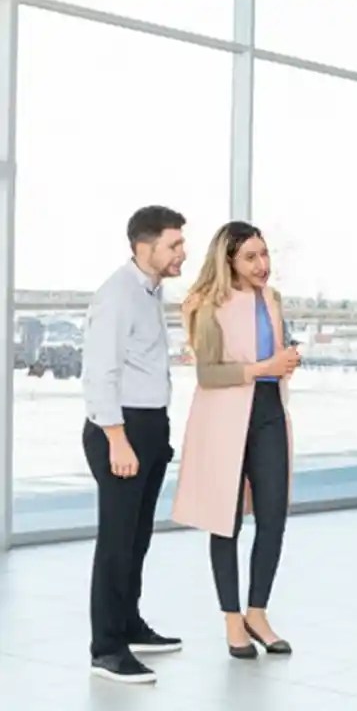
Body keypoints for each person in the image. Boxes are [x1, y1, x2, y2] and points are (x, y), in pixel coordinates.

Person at [173, 221, 301, 659]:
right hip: (224, 420)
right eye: (251, 257)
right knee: (225, 520)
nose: (262, 265)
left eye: (265, 255)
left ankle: (257, 611)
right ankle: (232, 619)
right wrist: (264, 366)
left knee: (273, 518)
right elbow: (208, 374)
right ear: (229, 259)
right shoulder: (207, 305)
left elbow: (274, 357)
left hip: (268, 413)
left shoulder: (273, 300)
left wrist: (286, 362)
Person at [82, 205, 188, 684]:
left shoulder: (150, 292)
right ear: (144, 247)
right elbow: (100, 373)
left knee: (137, 538)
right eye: (174, 244)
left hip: (148, 427)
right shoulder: (118, 294)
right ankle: (107, 648)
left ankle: (129, 624)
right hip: (120, 431)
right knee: (116, 542)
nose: (181, 252)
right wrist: (117, 440)